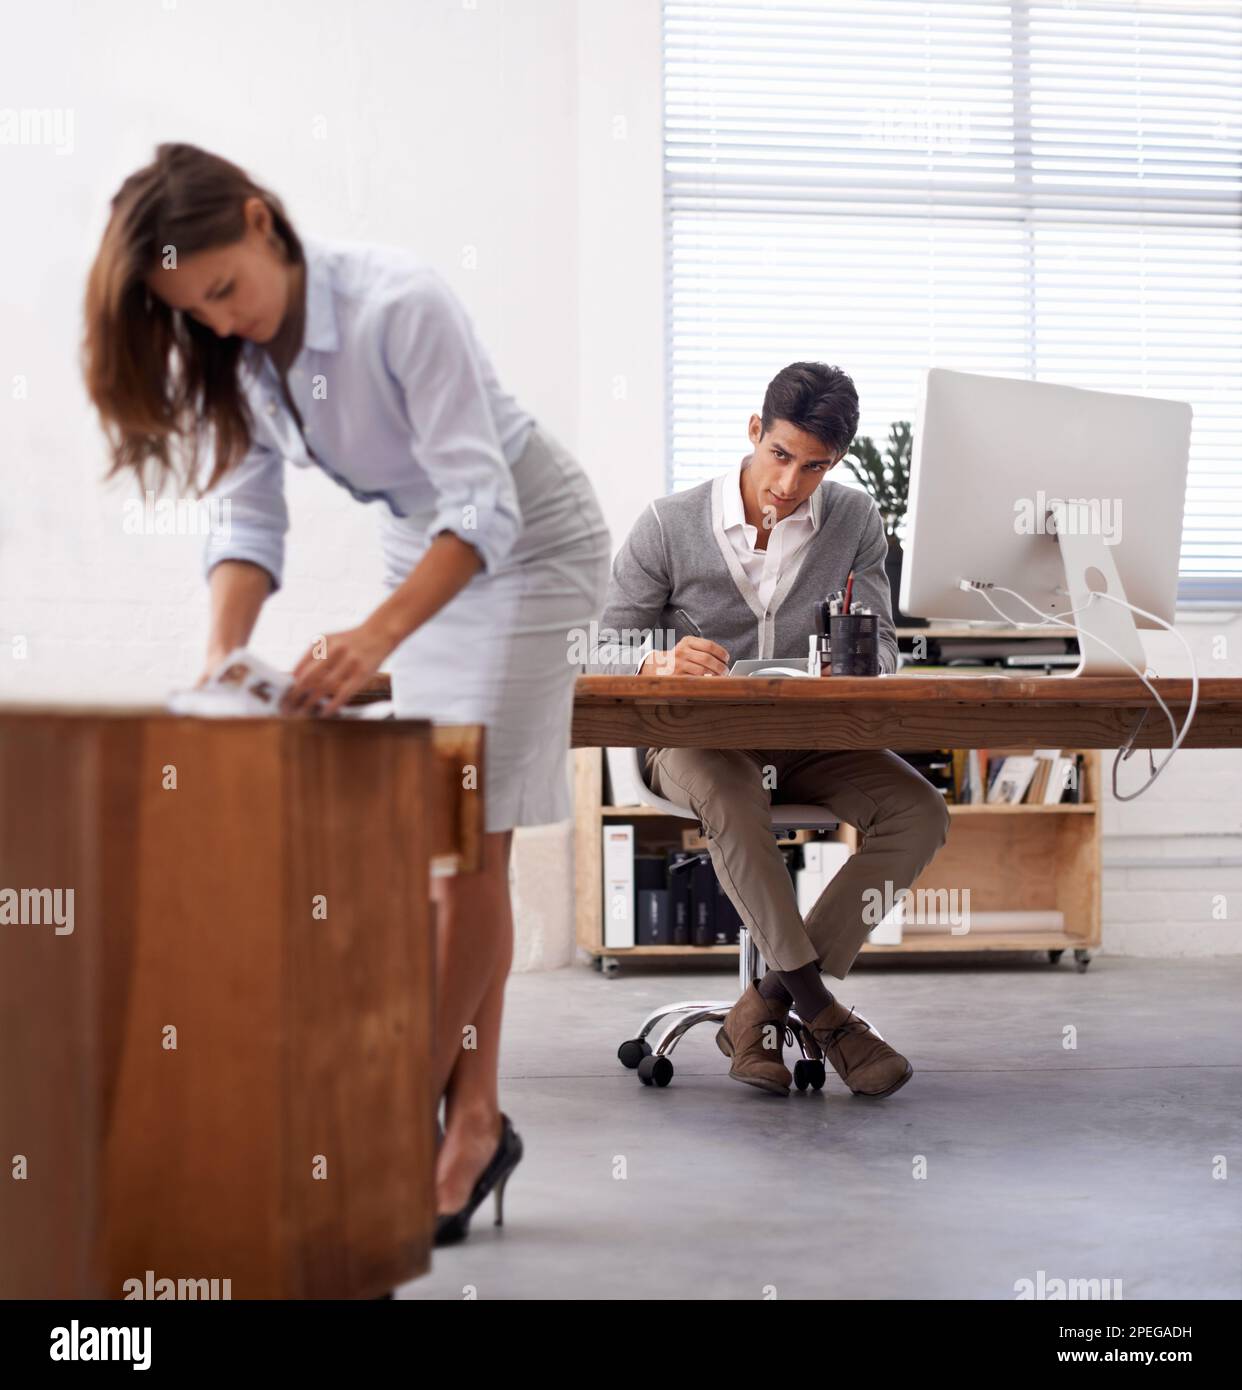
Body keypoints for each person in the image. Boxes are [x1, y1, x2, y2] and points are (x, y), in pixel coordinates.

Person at [82, 142, 611, 1242]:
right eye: (193, 308)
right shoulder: (234, 349)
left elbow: (485, 500)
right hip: (422, 549)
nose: (218, 321)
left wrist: (378, 636)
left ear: (264, 221)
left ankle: (370, 1127)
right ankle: (471, 1125)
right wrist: (224, 658)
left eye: (225, 289)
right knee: (455, 847)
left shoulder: (397, 302)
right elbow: (246, 512)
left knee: (469, 846)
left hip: (522, 539)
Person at [592, 362, 950, 1098]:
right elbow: (601, 648)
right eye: (781, 455)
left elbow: (883, 648)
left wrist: (846, 658)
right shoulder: (668, 523)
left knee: (920, 812)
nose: (790, 484)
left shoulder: (853, 522)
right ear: (755, 432)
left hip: (808, 738)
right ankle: (827, 1016)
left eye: (814, 466)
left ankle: (763, 1007)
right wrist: (659, 661)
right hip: (690, 743)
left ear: (836, 462)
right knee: (730, 790)